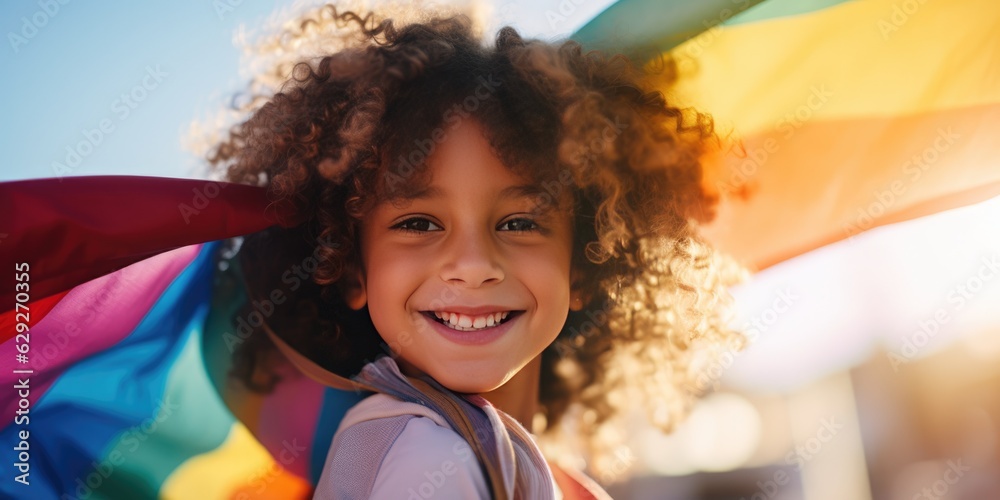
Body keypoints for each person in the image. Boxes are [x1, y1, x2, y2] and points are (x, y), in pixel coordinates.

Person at [210, 6, 745, 499]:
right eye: (418, 223)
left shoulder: (494, 459)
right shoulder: (426, 458)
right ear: (352, 268)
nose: (472, 265)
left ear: (583, 263)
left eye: (519, 222)